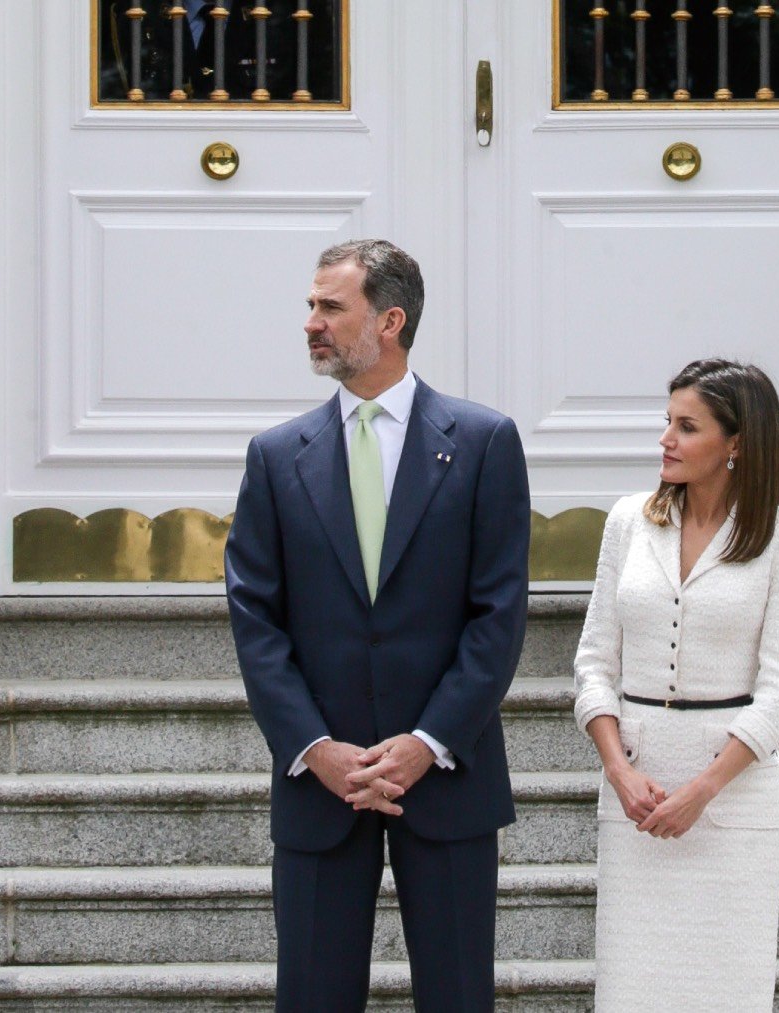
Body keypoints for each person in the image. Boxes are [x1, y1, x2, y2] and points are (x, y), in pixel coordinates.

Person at [225, 239, 531, 1012]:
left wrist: (428, 743)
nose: (311, 323)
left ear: (390, 320)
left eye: (331, 306)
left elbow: (498, 614)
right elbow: (255, 617)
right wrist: (314, 747)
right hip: (320, 783)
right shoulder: (274, 455)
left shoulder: (486, 441)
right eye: (311, 306)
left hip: (448, 778)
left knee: (460, 997)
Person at [572, 358, 779, 1011]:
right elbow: (594, 662)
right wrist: (620, 771)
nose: (666, 439)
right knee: (632, 988)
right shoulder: (628, 521)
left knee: (726, 990)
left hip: (734, 797)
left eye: (687, 426)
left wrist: (704, 790)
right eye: (667, 422)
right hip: (637, 795)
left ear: (737, 442)